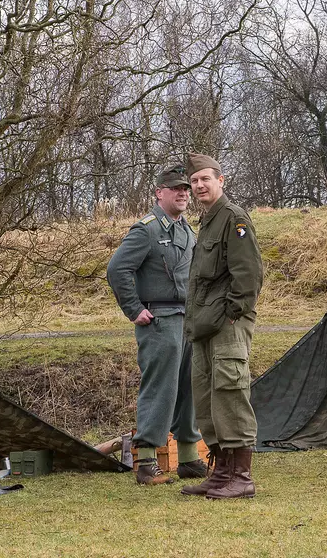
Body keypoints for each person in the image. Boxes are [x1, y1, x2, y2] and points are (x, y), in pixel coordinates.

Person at [106, 165, 207, 485]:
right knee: (160, 389)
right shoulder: (145, 230)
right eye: (176, 188)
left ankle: (189, 458)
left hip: (187, 320)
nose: (183, 194)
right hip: (159, 320)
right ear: (159, 192)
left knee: (189, 388)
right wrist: (134, 309)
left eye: (186, 189)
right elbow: (117, 269)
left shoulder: (187, 231)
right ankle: (147, 462)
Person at [180, 153, 263, 500]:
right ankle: (221, 472)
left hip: (227, 324)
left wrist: (232, 313)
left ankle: (241, 477)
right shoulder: (208, 221)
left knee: (230, 394)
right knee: (206, 397)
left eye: (205, 179)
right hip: (204, 326)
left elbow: (249, 275)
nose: (199, 186)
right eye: (194, 181)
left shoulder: (234, 218)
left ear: (221, 180)